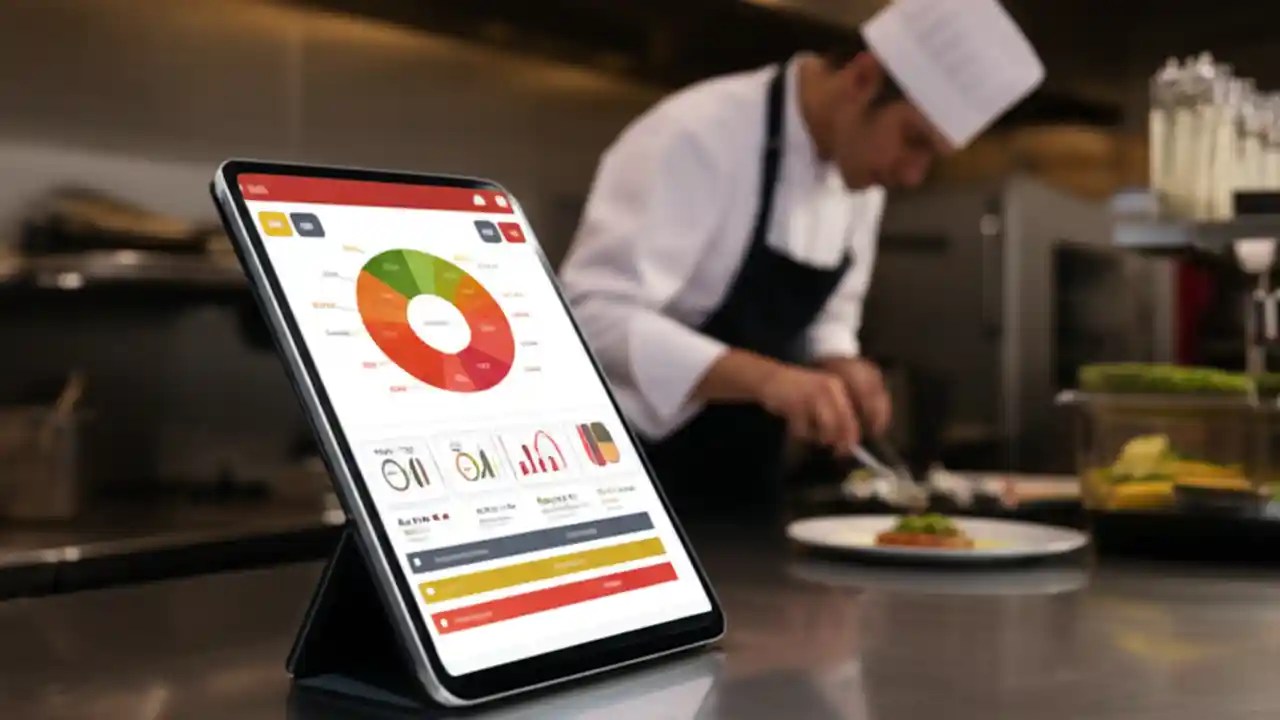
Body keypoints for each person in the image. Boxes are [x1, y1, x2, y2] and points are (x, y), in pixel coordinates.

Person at [560, 0, 1044, 515]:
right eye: (913, 141)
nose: (911, 176)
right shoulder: (697, 136)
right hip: (628, 477)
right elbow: (590, 317)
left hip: (744, 489)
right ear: (863, 79)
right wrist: (770, 380)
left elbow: (832, 319)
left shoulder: (859, 175)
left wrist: (840, 361)